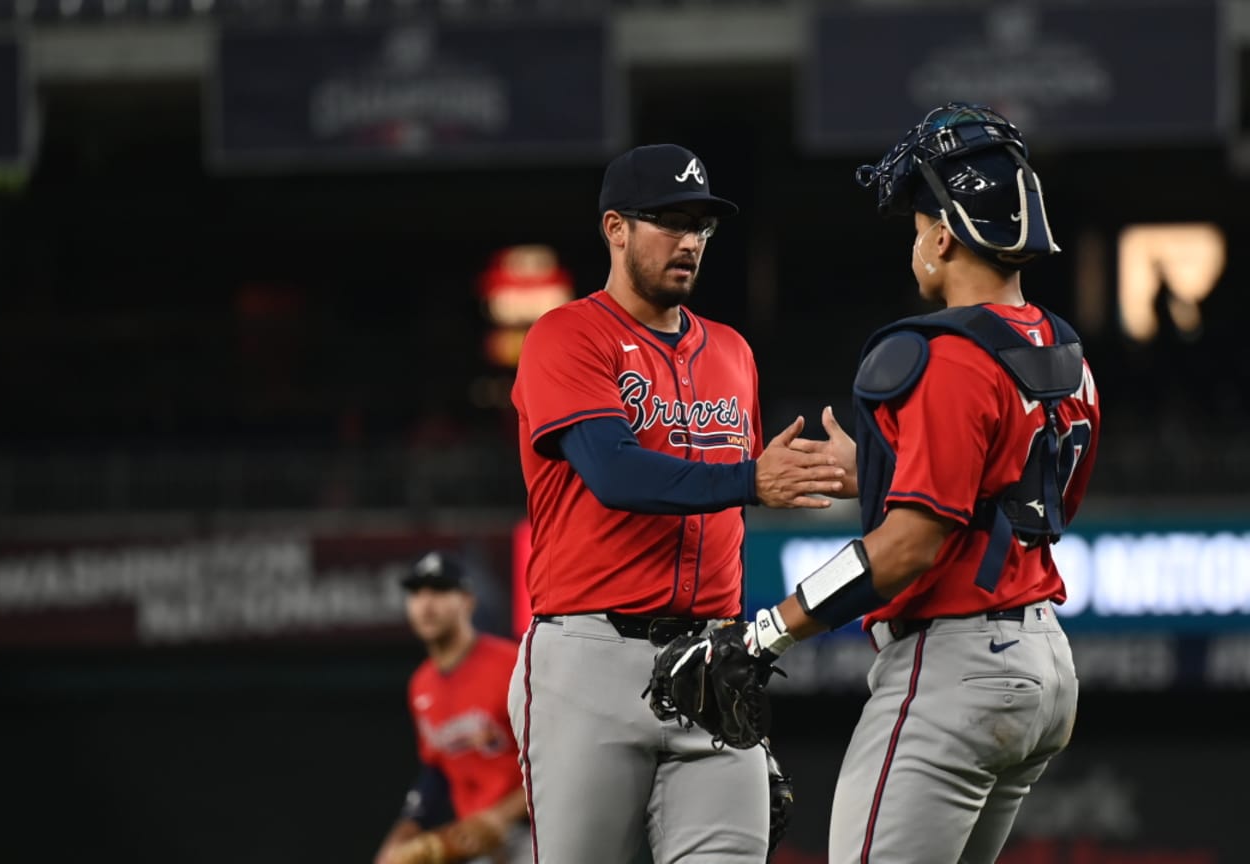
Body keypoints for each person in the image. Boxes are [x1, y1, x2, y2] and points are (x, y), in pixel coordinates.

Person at [733, 103, 1102, 863]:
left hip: (954, 667)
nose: (915, 245)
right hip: (1042, 667)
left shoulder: (946, 358)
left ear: (941, 237)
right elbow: (1019, 498)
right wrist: (875, 473)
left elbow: (904, 551)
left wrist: (766, 630)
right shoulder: (1065, 350)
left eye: (916, 229)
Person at [507, 142, 846, 862]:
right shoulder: (565, 336)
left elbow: (733, 499)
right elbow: (616, 474)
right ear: (615, 228)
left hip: (712, 662)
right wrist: (751, 480)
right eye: (669, 220)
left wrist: (836, 475)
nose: (689, 240)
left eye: (701, 225)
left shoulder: (732, 351)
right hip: (591, 658)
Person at [375, 552, 530, 864]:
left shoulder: (512, 665)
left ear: (468, 601)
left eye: (440, 590)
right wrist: (405, 830)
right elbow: (436, 771)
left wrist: (503, 815)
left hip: (533, 830)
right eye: (417, 593)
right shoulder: (421, 685)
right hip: (477, 845)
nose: (427, 604)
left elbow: (555, 755)